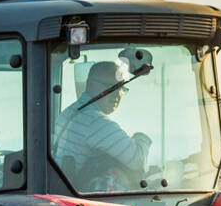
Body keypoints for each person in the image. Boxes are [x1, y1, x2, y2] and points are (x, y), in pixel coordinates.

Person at [52, 61, 152, 190]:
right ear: (90, 84)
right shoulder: (94, 121)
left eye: (121, 88)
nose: (117, 94)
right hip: (77, 198)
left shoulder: (70, 112)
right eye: (110, 86)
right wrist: (141, 137)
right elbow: (138, 161)